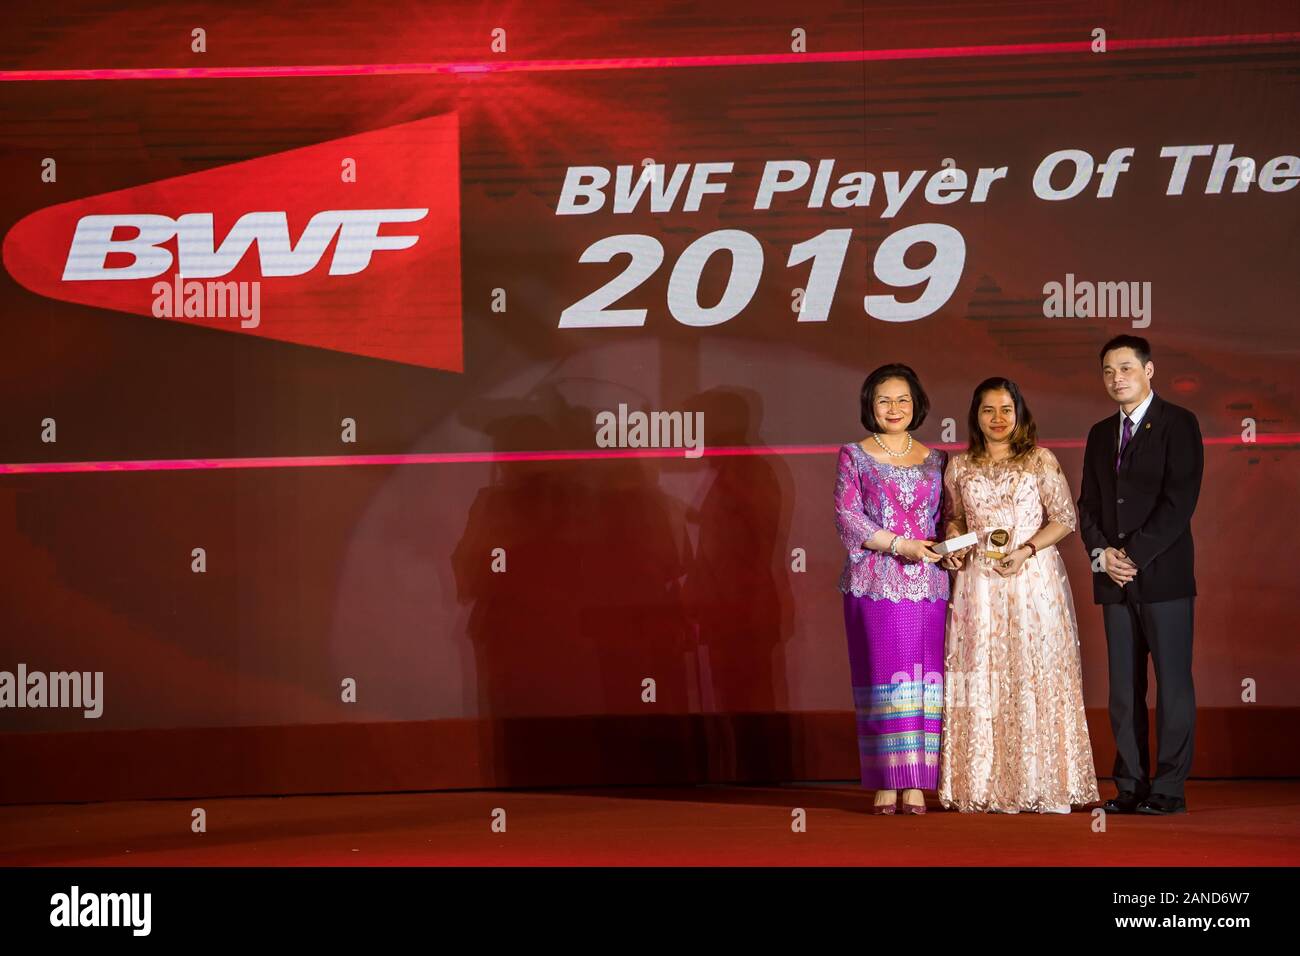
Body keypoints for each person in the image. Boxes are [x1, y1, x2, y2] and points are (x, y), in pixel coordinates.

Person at [938, 377, 1099, 813]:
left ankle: (1043, 783)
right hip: (979, 582)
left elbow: (1065, 518)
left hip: (1032, 578)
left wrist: (1026, 550)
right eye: (988, 410)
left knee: (1034, 670)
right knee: (981, 670)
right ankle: (981, 785)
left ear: (1019, 412)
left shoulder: (1039, 460)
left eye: (1006, 409)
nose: (997, 419)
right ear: (975, 415)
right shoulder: (959, 466)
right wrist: (953, 549)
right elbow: (954, 520)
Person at [1078, 336, 1203, 815]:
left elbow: (1179, 503)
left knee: (1173, 686)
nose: (1117, 378)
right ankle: (1129, 784)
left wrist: (1132, 554)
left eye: (1126, 368)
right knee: (1124, 691)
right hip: (1112, 579)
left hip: (1164, 578)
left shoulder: (1179, 423)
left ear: (1149, 371)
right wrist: (1101, 553)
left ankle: (1169, 787)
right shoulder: (1098, 433)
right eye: (1108, 371)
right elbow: (1087, 505)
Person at [833, 363, 947, 815]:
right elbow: (848, 517)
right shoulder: (854, 455)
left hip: (930, 588)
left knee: (925, 683)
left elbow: (944, 520)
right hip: (874, 582)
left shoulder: (937, 458)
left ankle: (917, 782)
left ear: (916, 404)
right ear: (870, 406)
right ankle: (886, 778)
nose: (894, 408)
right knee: (882, 677)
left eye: (903, 399)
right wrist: (901, 545)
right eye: (884, 400)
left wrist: (947, 547)